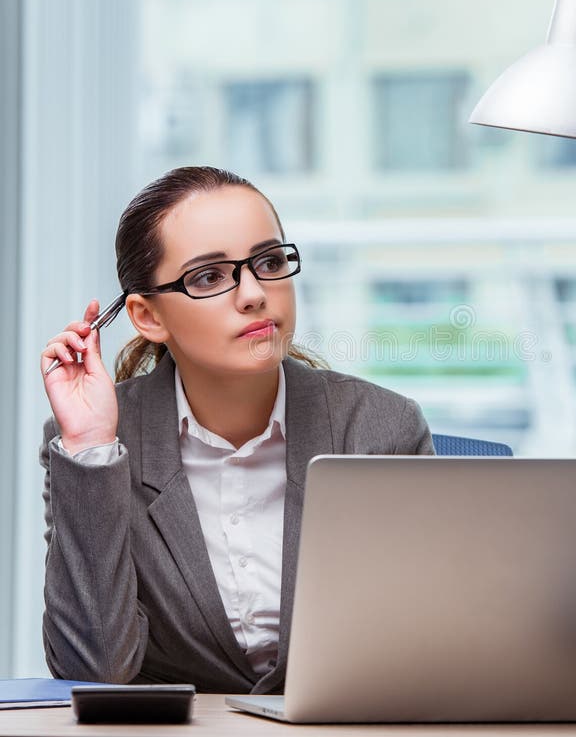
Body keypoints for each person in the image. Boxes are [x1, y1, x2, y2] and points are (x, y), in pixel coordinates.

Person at [39, 165, 433, 693]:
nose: (253, 293)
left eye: (269, 262)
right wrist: (90, 448)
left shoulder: (382, 428)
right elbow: (95, 669)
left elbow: (426, 648)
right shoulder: (102, 445)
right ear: (147, 316)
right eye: (209, 276)